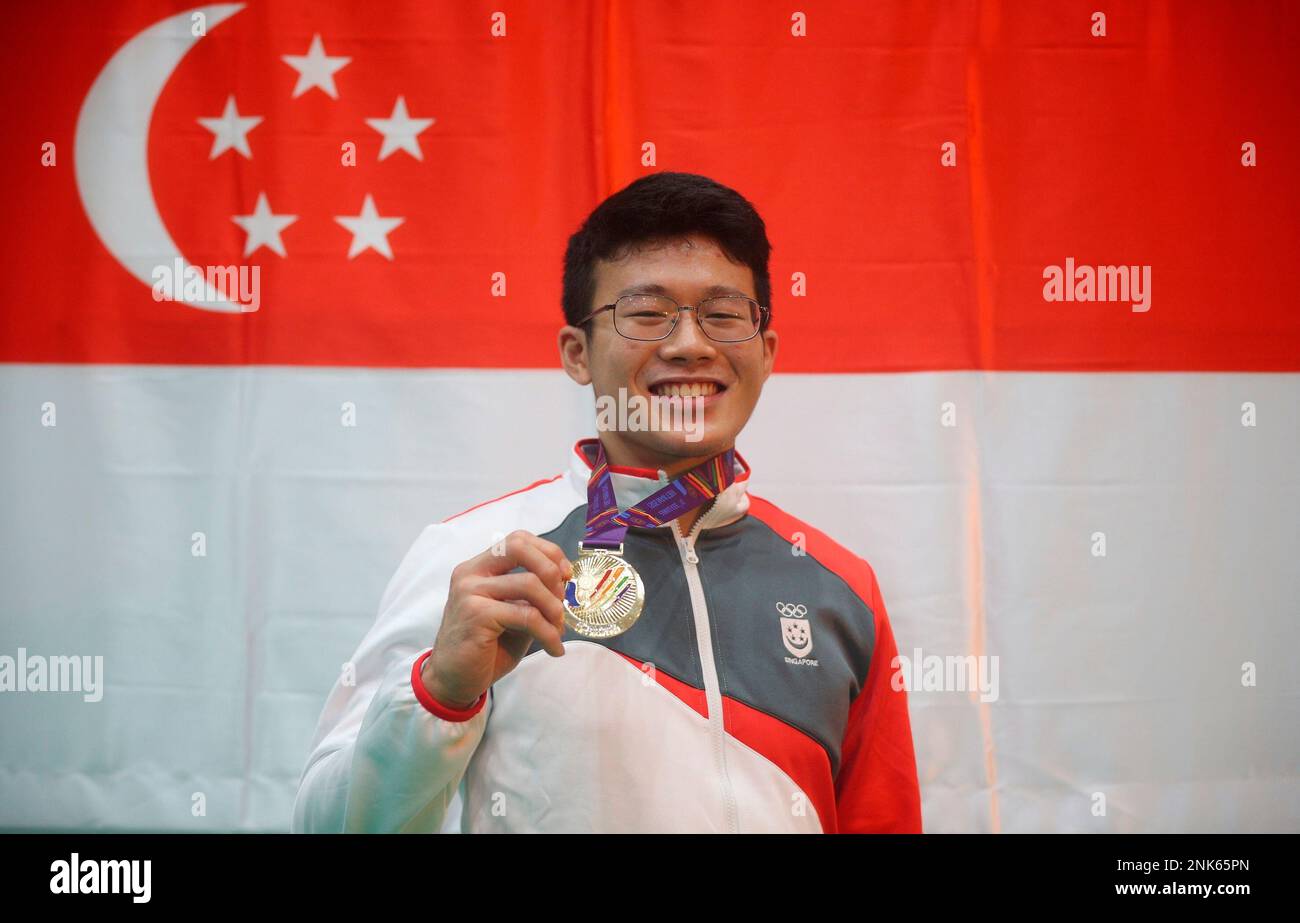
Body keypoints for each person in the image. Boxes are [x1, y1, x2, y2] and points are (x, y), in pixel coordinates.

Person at [291, 171, 922, 833]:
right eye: (647, 313)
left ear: (765, 353)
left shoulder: (841, 587)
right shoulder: (481, 561)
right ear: (577, 352)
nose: (688, 344)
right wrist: (439, 692)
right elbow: (328, 825)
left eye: (723, 315)